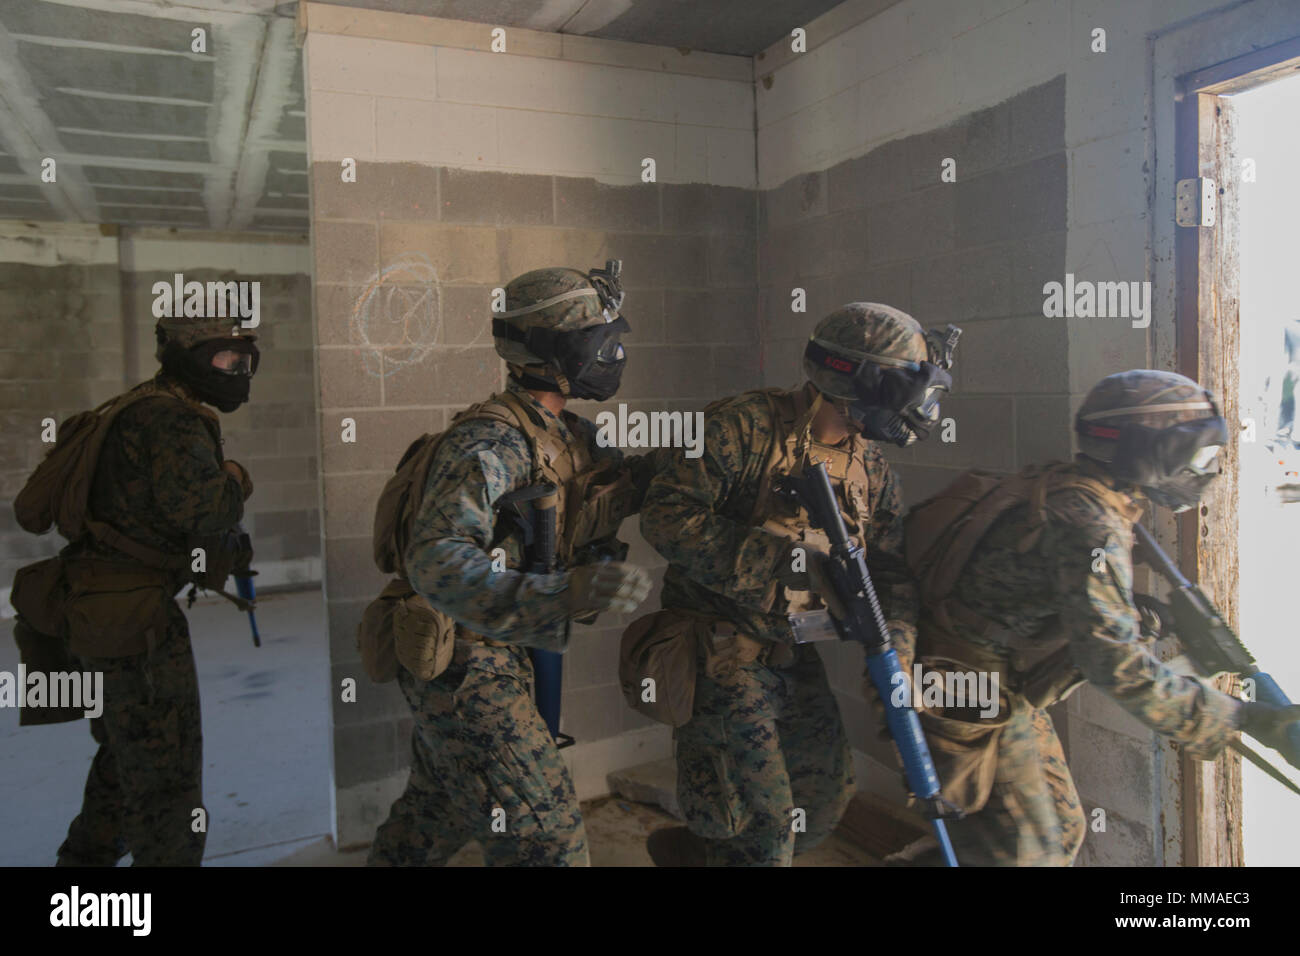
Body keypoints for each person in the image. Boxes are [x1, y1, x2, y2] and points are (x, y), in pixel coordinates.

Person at [899, 368, 1300, 865]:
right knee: (1028, 851)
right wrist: (1244, 718)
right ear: (1147, 450)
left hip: (977, 666)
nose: (1206, 468)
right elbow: (1116, 668)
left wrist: (1133, 612)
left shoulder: (1072, 483)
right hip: (965, 682)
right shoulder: (1091, 523)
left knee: (1060, 832)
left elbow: (1037, 586)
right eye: (1196, 453)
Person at [637, 303, 957, 866]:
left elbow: (887, 569)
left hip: (794, 653)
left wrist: (898, 657)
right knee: (766, 830)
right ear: (851, 380)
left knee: (824, 802)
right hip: (721, 653)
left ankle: (699, 853)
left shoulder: (869, 465)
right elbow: (665, 515)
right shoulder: (743, 427)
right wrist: (784, 563)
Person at [366, 263, 654, 867]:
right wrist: (563, 594)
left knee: (437, 808)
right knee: (545, 844)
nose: (615, 352)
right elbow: (437, 563)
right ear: (555, 353)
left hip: (505, 650)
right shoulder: (491, 442)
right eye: (602, 338)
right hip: (468, 661)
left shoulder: (567, 435)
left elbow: (618, 489)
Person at [46, 315, 258, 865]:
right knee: (168, 784)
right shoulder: (171, 419)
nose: (238, 370)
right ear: (188, 357)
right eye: (224, 359)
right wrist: (235, 478)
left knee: (126, 757)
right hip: (134, 624)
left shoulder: (135, 404)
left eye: (244, 360)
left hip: (102, 610)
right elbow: (203, 508)